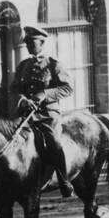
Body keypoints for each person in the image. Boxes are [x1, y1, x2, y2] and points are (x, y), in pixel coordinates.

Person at [11, 27, 74, 197]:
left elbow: (68, 88)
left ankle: (63, 180)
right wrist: (23, 99)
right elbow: (14, 88)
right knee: (9, 137)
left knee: (53, 142)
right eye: (28, 44)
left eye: (33, 43)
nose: (30, 47)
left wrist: (44, 94)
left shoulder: (54, 64)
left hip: (47, 114)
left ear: (42, 43)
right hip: (25, 114)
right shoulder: (23, 65)